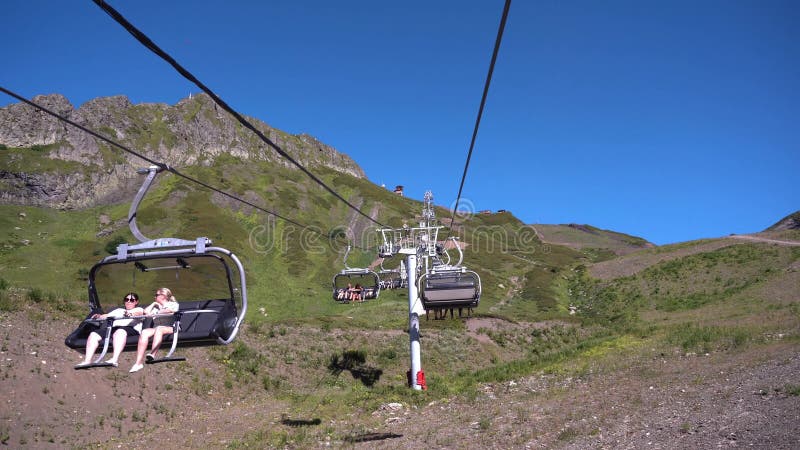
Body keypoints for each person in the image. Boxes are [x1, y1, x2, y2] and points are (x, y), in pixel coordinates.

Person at [75, 292, 144, 368]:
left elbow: (139, 313)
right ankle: (87, 361)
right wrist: (99, 316)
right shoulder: (119, 310)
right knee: (94, 334)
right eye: (126, 299)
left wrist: (130, 314)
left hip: (131, 328)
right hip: (114, 328)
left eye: (131, 300)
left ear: (136, 302)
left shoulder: (138, 309)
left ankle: (114, 359)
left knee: (119, 332)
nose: (128, 301)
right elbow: (107, 316)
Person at [129, 287, 179, 373]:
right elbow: (146, 312)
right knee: (144, 332)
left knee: (159, 329)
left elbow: (169, 311)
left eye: (156, 295)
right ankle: (138, 363)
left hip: (171, 327)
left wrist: (157, 312)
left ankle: (153, 354)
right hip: (157, 328)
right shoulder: (155, 307)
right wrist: (153, 304)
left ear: (163, 296)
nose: (154, 297)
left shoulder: (173, 304)